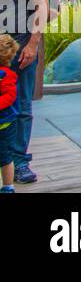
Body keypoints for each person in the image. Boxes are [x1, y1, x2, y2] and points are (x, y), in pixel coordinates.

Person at [0, 0, 47, 185]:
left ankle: (19, 160)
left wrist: (33, 44)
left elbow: (41, 2)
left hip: (20, 50)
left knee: (20, 104)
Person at [0, 34, 18, 193]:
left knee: (5, 157)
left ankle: (8, 186)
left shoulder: (5, 75)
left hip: (3, 124)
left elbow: (10, 96)